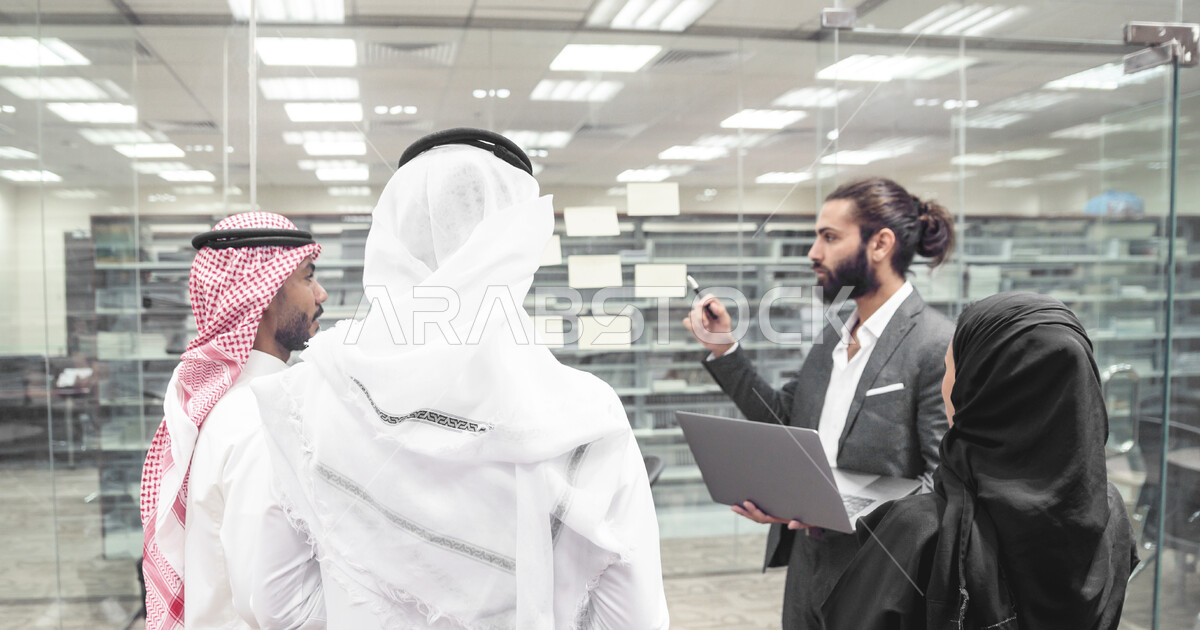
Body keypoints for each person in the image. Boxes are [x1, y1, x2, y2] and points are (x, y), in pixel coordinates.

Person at [250, 128, 669, 629]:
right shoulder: (584, 415)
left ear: (393, 233)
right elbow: (634, 620)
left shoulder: (308, 395)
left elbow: (279, 610)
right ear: (519, 243)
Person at [682, 177, 956, 630]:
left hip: (881, 571)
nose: (814, 252)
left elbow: (942, 481)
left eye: (829, 237)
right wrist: (724, 349)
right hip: (810, 562)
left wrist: (850, 510)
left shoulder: (934, 342)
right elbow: (785, 419)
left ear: (880, 244)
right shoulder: (835, 333)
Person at [820, 292, 1139, 629]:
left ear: (979, 393)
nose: (945, 386)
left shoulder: (919, 531)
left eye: (950, 369)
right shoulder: (1110, 513)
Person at [139, 212, 328, 630]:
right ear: (260, 297)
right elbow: (278, 609)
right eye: (307, 278)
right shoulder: (261, 419)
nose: (322, 294)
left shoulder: (226, 402)